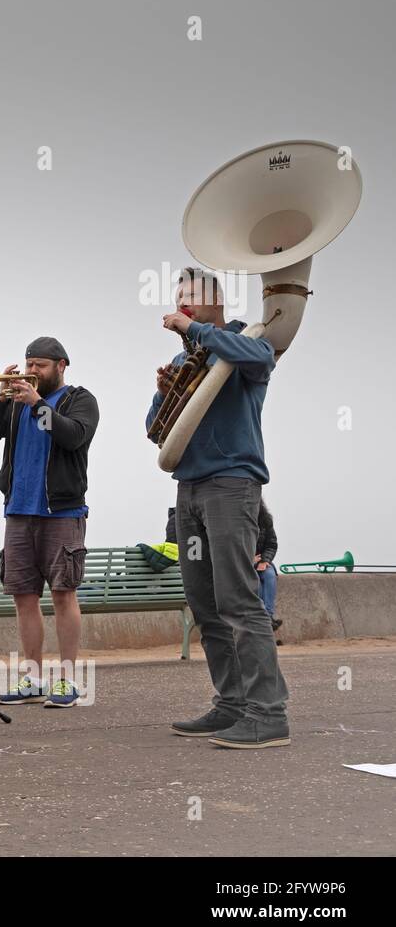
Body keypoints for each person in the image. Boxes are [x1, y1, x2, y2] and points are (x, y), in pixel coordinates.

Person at [150, 268, 290, 748]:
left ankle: (268, 714)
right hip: (188, 489)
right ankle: (232, 704)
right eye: (178, 296)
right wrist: (164, 391)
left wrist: (193, 330)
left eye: (189, 295)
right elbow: (156, 428)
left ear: (215, 300)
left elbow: (260, 356)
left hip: (231, 486)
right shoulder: (184, 356)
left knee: (238, 600)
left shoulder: (245, 339)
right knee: (205, 603)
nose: (181, 302)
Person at [0, 337, 99, 707]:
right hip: (18, 511)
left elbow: (74, 436)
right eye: (29, 364)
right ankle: (32, 678)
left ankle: (66, 680)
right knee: (23, 598)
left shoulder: (80, 400)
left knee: (63, 595)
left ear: (61, 365)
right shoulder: (16, 403)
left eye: (40, 366)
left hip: (61, 511)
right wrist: (1, 400)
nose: (32, 371)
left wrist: (38, 405)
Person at [255, 501, 283, 645]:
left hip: (263, 560)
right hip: (246, 563)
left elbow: (271, 544)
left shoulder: (265, 520)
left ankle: (268, 616)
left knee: (270, 576)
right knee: (256, 582)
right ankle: (264, 618)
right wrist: (249, 559)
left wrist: (265, 560)